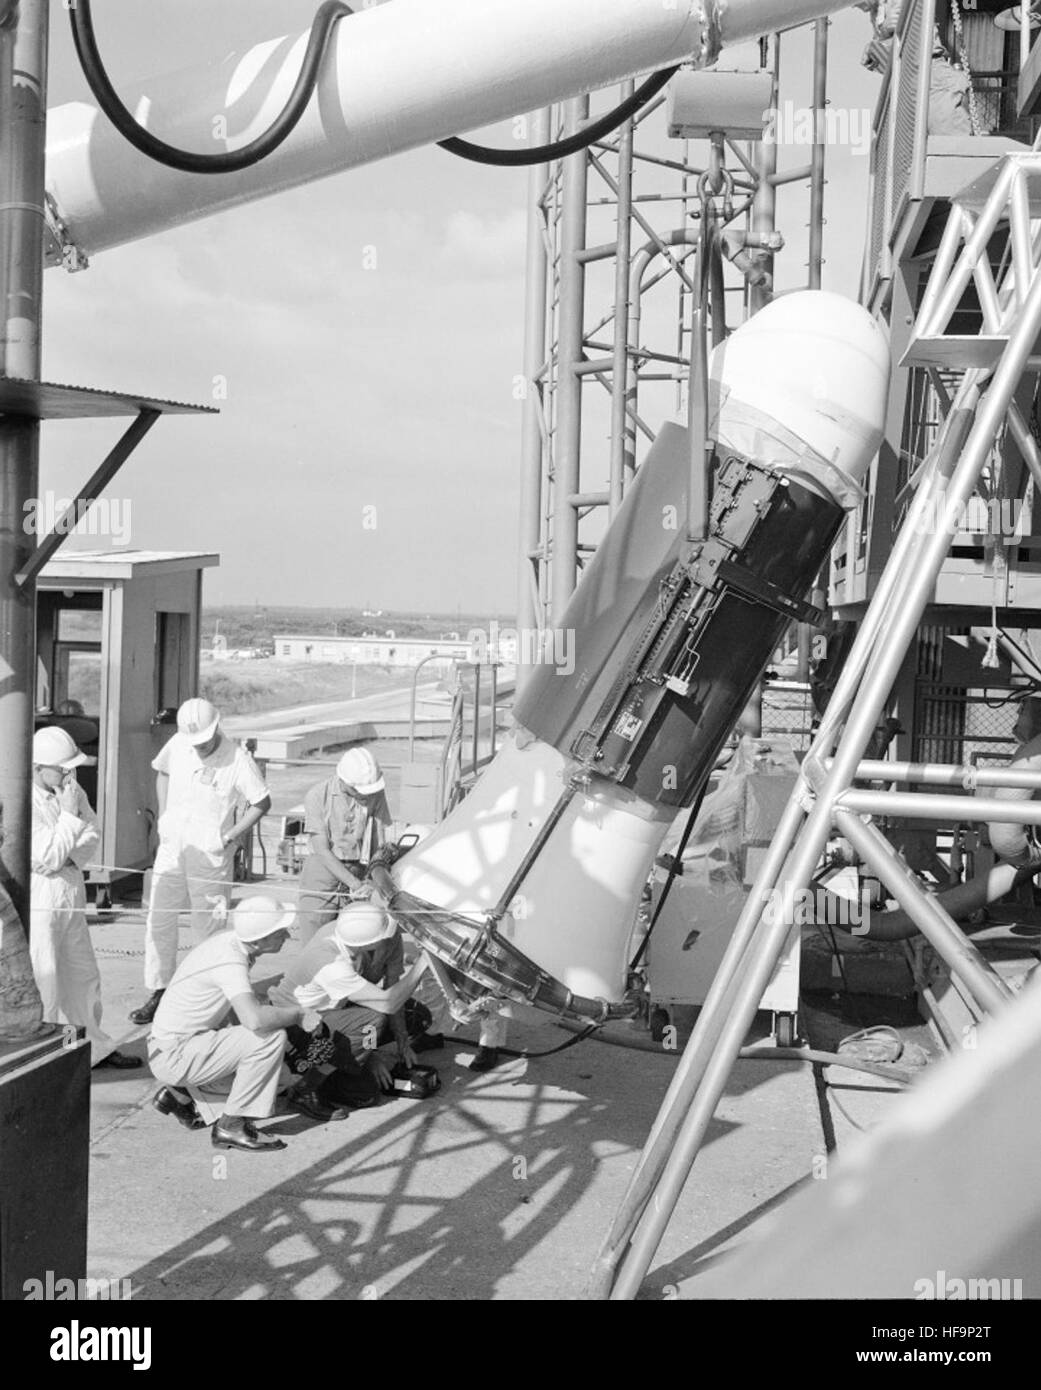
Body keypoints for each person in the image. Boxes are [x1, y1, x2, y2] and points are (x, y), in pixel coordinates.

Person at [130, 698, 271, 1025]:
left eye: (205, 742)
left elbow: (261, 802)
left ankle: (205, 994)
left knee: (208, 926)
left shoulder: (237, 759)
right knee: (159, 919)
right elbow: (162, 772)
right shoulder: (179, 743)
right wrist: (164, 814)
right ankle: (159, 988)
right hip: (173, 845)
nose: (200, 747)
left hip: (211, 853)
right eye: (196, 743)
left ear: (217, 727)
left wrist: (231, 836)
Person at [148, 895, 299, 1151]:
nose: (287, 936)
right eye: (279, 932)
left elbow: (230, 1008)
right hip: (175, 1054)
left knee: (280, 1078)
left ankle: (180, 1095)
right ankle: (232, 1125)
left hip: (173, 1047)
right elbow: (254, 1020)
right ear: (259, 940)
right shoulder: (230, 960)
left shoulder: (230, 943)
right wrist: (299, 1014)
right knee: (271, 1038)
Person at [29, 727, 140, 1070]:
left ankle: (92, 1047)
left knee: (83, 975)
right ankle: (45, 1056)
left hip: (70, 886)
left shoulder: (71, 792)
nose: (68, 775)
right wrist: (65, 821)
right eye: (62, 769)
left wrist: (66, 852)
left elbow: (91, 834)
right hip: (41, 896)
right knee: (44, 978)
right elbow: (44, 855)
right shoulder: (22, 799)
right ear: (38, 768)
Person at [268, 902, 429, 1112]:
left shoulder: (348, 930)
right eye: (385, 936)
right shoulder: (330, 962)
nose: (392, 937)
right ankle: (306, 1085)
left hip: (330, 1013)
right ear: (369, 943)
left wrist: (402, 1040)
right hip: (298, 1028)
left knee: (417, 1016)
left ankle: (349, 1058)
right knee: (366, 1088)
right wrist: (423, 963)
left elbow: (392, 988)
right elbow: (387, 1003)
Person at [296, 747, 392, 945]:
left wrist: (372, 880)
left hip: (359, 867)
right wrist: (353, 883)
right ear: (345, 781)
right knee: (314, 936)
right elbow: (322, 849)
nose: (365, 796)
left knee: (357, 936)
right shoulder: (317, 795)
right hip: (322, 871)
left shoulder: (375, 794)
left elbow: (380, 840)